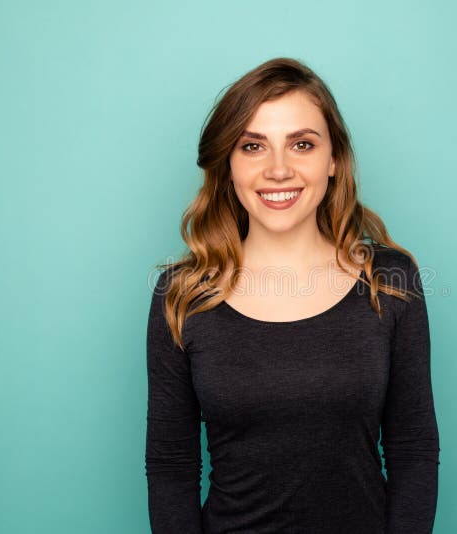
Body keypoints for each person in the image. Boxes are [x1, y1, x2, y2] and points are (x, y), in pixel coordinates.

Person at [145, 57, 440, 533]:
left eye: (301, 144)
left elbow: (413, 450)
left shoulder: (390, 281)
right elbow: (171, 467)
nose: (278, 169)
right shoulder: (181, 296)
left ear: (333, 161)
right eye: (253, 146)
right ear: (228, 164)